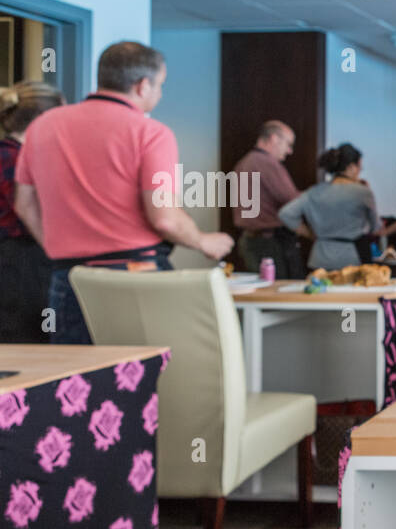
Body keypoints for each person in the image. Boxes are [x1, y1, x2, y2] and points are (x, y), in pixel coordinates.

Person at [14, 41, 233, 344]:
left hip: (69, 275)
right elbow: (165, 218)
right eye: (160, 85)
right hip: (135, 274)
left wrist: (60, 247)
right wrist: (204, 240)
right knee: (140, 380)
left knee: (76, 381)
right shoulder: (150, 133)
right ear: (143, 85)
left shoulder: (42, 128)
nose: (160, 94)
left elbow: (24, 205)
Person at [0, 81, 65, 342]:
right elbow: (29, 209)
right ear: (42, 119)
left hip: (20, 258)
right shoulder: (13, 158)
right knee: (25, 337)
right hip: (18, 258)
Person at [278, 143, 382, 270]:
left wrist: (310, 234)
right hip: (353, 257)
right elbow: (376, 227)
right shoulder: (362, 192)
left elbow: (285, 214)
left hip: (320, 257)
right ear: (351, 167)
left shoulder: (314, 192)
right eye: (360, 167)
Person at [232, 120, 304, 278]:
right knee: (279, 296)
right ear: (274, 138)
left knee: (263, 294)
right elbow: (293, 200)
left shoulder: (244, 163)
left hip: (250, 240)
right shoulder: (266, 163)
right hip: (269, 243)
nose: (289, 151)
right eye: (288, 144)